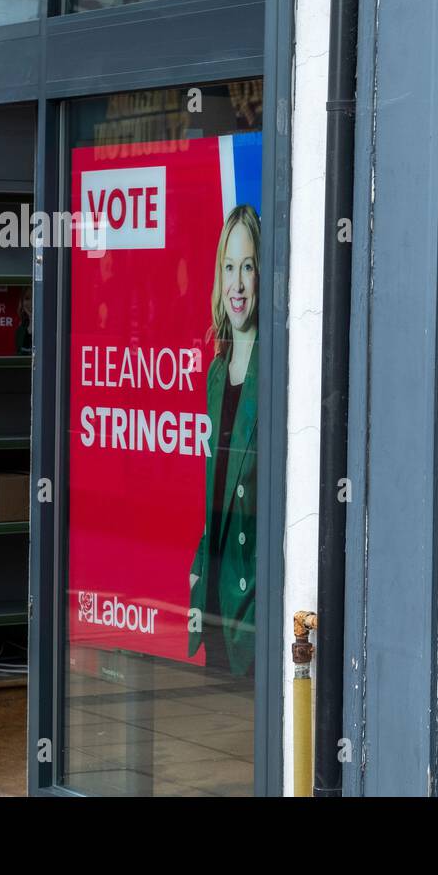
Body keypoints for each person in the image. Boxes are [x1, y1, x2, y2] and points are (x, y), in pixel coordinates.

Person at [188, 204, 260, 677]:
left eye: (248, 267)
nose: (237, 284)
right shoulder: (216, 373)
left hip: (250, 601)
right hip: (214, 594)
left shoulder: (275, 372)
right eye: (229, 267)